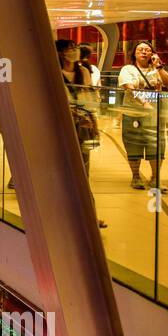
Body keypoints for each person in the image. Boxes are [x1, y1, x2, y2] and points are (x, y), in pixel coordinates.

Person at [57, 39, 106, 228]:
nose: (74, 51)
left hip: (81, 126)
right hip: (62, 127)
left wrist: (93, 122)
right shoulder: (54, 72)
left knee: (83, 174)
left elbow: (88, 97)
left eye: (75, 48)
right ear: (60, 52)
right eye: (70, 49)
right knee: (62, 173)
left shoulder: (83, 72)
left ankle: (89, 216)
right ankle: (65, 217)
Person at [117, 41, 168, 191]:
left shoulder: (156, 70)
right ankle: (136, 176)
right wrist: (144, 103)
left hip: (155, 115)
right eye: (140, 49)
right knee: (133, 144)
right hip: (133, 113)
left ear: (152, 54)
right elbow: (128, 87)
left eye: (147, 50)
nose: (144, 52)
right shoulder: (128, 69)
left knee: (156, 145)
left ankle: (155, 178)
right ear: (134, 53)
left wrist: (159, 67)